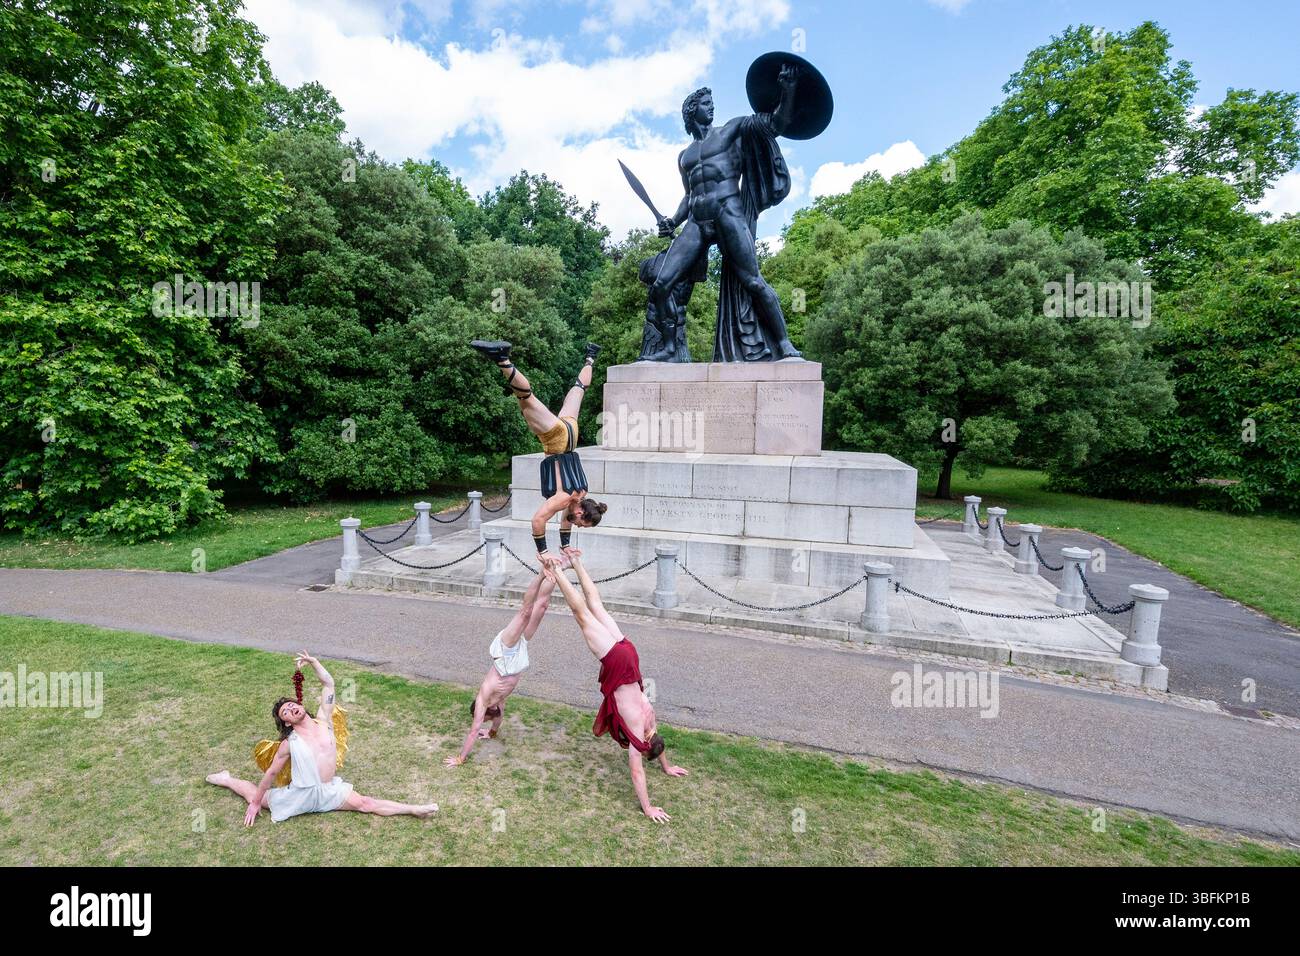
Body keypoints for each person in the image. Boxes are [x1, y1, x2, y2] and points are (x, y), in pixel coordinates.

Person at [206, 651, 438, 825]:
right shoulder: (290, 742)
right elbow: (272, 773)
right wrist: (255, 802)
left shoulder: (324, 720)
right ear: (287, 722)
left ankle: (414, 809)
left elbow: (328, 684)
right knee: (254, 795)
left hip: (329, 791)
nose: (290, 709)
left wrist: (314, 663)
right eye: (285, 712)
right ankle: (227, 779)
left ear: (299, 705)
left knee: (366, 804)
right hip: (300, 795)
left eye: (290, 705)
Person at [543, 555, 688, 823]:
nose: (641, 754)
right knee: (583, 615)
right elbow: (637, 773)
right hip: (617, 662)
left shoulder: (652, 722)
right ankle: (556, 571)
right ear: (645, 746)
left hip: (630, 656)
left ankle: (575, 562)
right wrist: (648, 808)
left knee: (596, 607)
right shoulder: (638, 735)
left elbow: (658, 740)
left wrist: (667, 766)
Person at [471, 339, 607, 569]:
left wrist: (564, 546)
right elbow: (538, 520)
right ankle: (502, 358)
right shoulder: (566, 498)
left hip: (571, 432)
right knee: (525, 398)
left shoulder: (580, 494)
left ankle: (591, 357)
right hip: (556, 439)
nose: (577, 526)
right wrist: (543, 552)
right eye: (581, 524)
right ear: (582, 511)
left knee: (578, 389)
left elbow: (567, 520)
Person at [444, 561, 568, 767]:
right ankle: (558, 567)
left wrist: (460, 758)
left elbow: (474, 730)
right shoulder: (498, 703)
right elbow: (499, 719)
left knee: (525, 612)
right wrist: (491, 733)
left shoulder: (484, 698)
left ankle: (540, 574)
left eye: (486, 715)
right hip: (517, 658)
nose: (492, 713)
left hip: (505, 652)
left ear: (480, 709)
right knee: (542, 607)